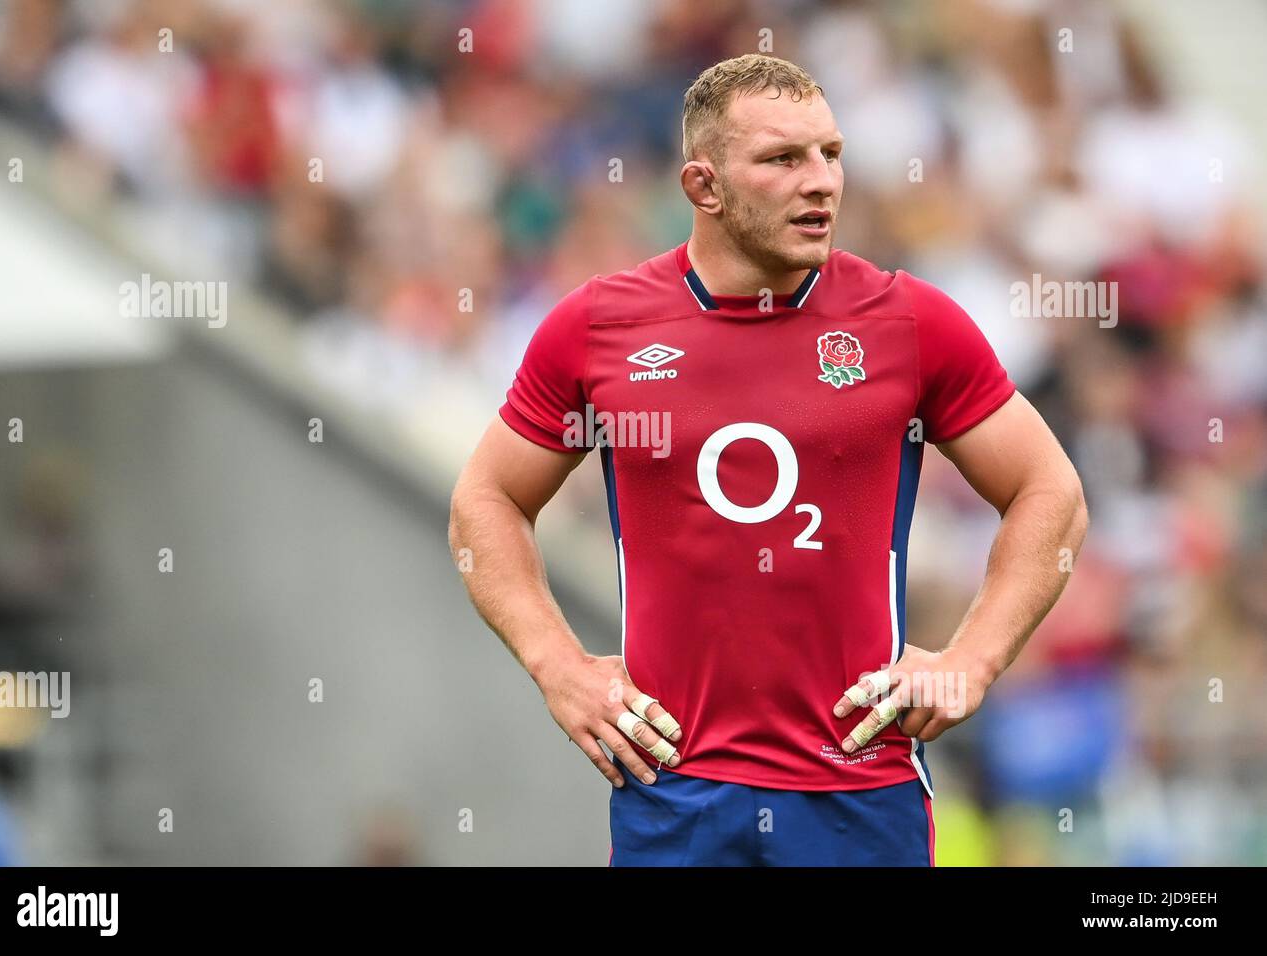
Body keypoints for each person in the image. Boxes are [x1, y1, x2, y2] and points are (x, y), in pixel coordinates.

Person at [449, 54, 1088, 866]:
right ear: (703, 186)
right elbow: (487, 500)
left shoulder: (908, 322)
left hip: (859, 792)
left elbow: (1051, 492)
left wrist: (972, 659)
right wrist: (558, 666)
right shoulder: (599, 328)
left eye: (831, 153)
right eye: (784, 159)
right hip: (673, 793)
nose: (820, 181)